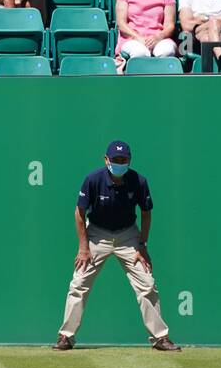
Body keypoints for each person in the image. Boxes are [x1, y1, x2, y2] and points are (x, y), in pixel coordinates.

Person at [54, 141, 180, 352]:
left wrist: (142, 245)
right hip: (97, 234)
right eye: (115, 160)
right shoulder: (93, 180)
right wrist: (83, 247)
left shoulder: (139, 181)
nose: (120, 163)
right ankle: (66, 336)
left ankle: (160, 338)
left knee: (147, 283)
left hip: (128, 235)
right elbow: (79, 213)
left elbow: (146, 213)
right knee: (79, 283)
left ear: (129, 161)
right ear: (106, 160)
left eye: (124, 160)